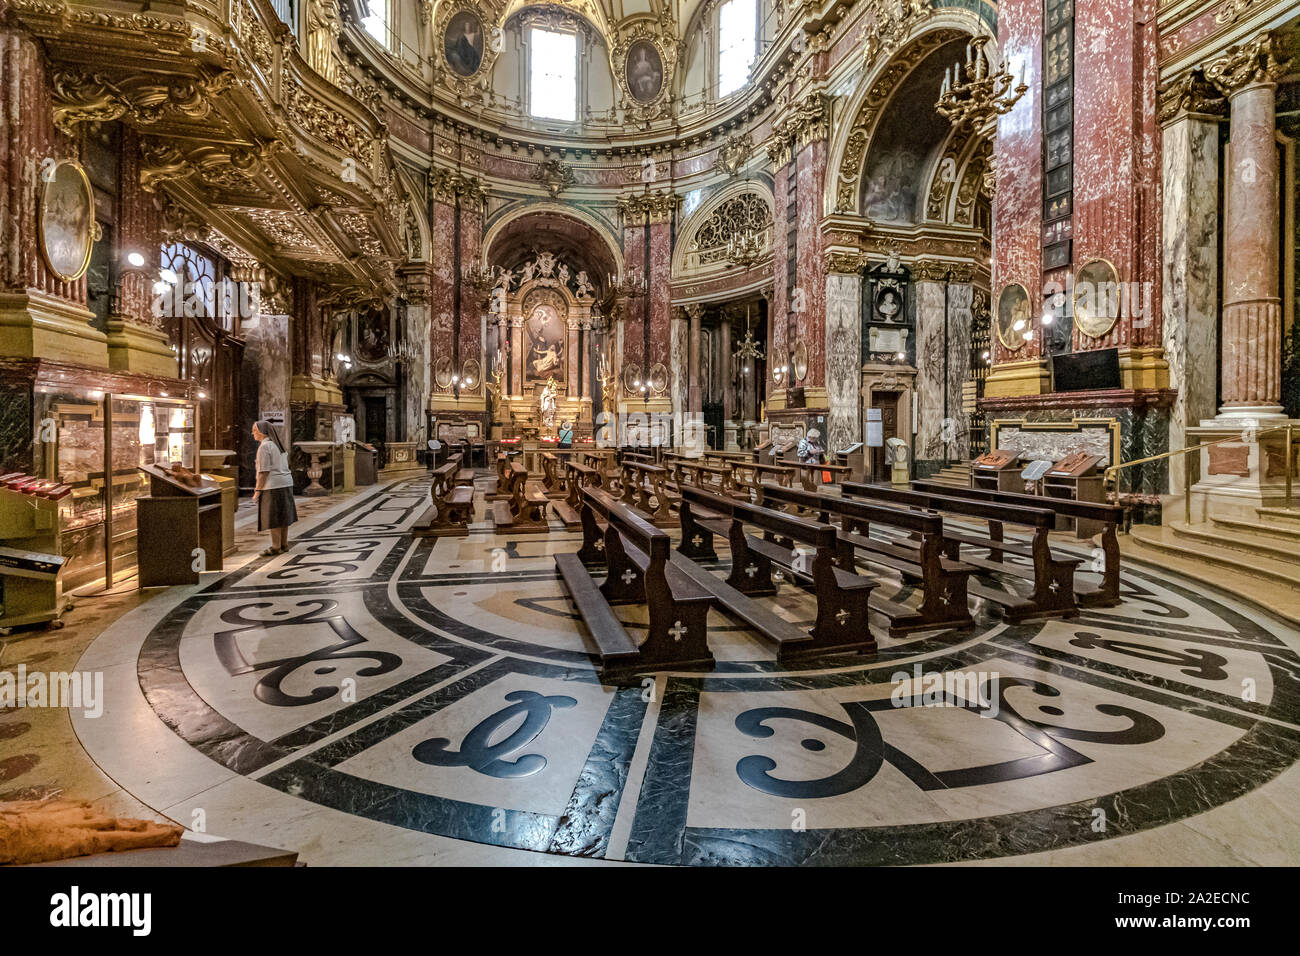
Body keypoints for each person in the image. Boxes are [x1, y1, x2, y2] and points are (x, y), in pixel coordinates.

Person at [252, 420, 297, 556]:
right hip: (286, 482)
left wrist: (257, 491)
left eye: (254, 430)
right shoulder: (278, 445)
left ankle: (275, 546)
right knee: (283, 515)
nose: (252, 433)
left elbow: (263, 471)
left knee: (274, 517)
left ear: (261, 432)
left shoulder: (264, 447)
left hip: (273, 486)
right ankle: (283, 544)